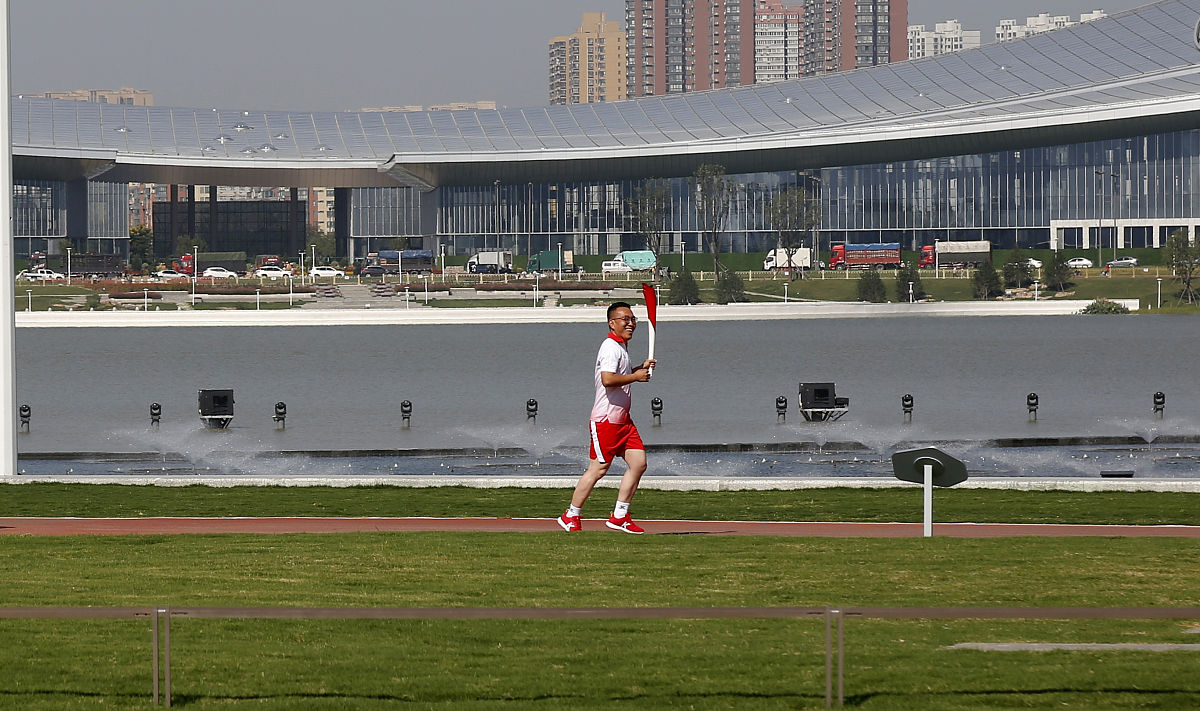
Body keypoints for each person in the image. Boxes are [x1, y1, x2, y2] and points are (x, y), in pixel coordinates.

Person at [558, 301, 657, 534]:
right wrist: (636, 377)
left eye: (633, 319)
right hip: (606, 420)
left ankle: (619, 516)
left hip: (624, 421)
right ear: (612, 323)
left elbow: (619, 374)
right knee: (598, 469)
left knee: (638, 464)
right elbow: (608, 380)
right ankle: (571, 515)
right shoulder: (610, 347)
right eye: (625, 319)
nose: (631, 323)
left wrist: (637, 369)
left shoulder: (621, 347)